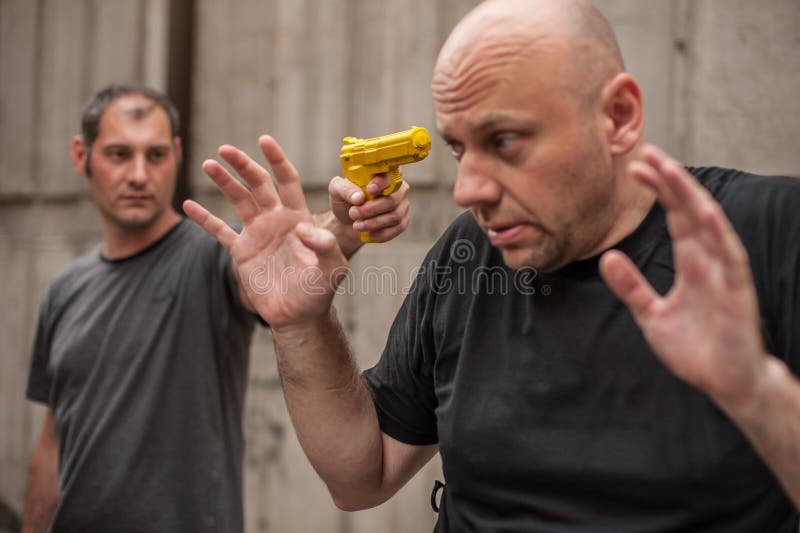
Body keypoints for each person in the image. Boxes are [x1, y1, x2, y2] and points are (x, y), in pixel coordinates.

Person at [186, 0, 800, 530]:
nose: (467, 188)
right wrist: (300, 323)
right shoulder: (469, 253)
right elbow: (361, 475)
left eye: (504, 142)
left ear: (619, 117)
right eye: (458, 148)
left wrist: (755, 392)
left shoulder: (766, 234)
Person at [22, 83, 410, 533]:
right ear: (80, 155)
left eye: (156, 155)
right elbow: (52, 442)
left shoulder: (213, 255)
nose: (139, 175)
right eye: (118, 154)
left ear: (177, 154)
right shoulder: (65, 290)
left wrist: (342, 228)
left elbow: (274, 270)